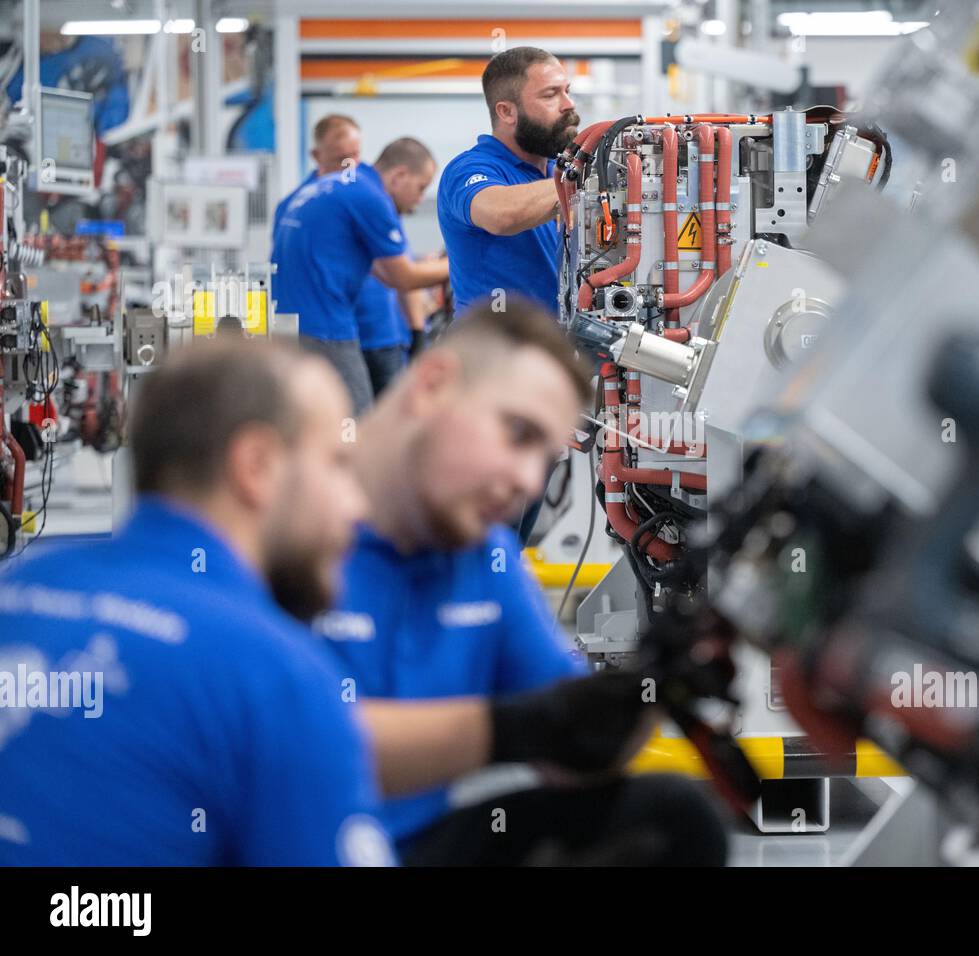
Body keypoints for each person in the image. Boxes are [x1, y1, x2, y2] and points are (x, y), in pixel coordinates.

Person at [317, 300, 729, 866]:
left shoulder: (484, 557)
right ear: (433, 385)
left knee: (672, 822)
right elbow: (294, 747)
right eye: (517, 434)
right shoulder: (286, 522)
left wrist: (652, 681)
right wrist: (507, 730)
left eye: (546, 456)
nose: (528, 480)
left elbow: (570, 753)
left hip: (409, 849)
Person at [0, 340, 394, 865]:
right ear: (258, 467)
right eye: (338, 464)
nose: (358, 503)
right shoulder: (277, 679)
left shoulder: (21, 587)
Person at [273, 136, 448, 413]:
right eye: (420, 188)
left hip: (290, 326)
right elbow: (400, 277)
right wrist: (456, 265)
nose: (417, 201)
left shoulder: (333, 185)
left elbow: (381, 270)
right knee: (356, 421)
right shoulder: (371, 197)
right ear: (399, 175)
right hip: (327, 329)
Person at [436, 46, 579, 320]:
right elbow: (501, 215)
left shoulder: (553, 170)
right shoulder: (468, 169)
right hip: (490, 348)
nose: (568, 104)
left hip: (550, 345)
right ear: (507, 112)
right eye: (551, 94)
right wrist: (583, 177)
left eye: (567, 91)